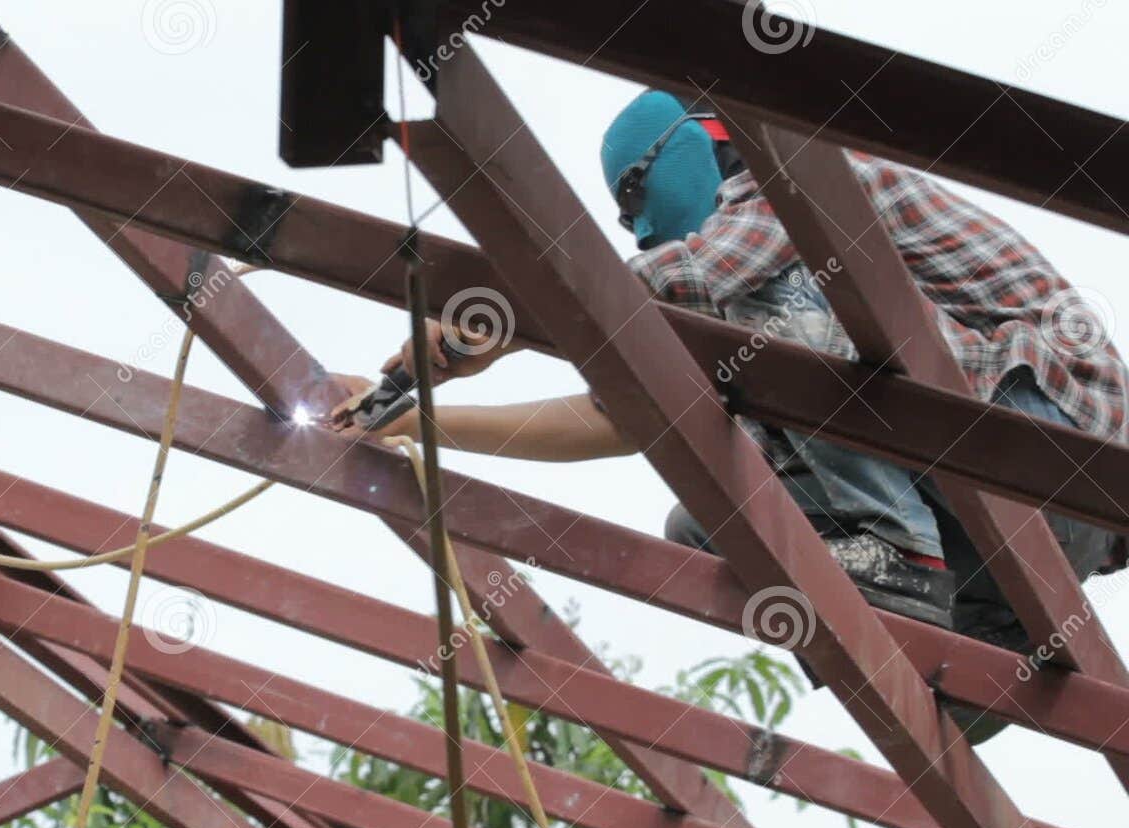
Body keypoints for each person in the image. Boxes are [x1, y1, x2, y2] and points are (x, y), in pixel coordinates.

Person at [331, 91, 1128, 740]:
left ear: (701, 139)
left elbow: (710, 272)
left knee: (749, 302)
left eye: (637, 194)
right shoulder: (736, 276)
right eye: (623, 219)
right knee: (709, 523)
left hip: (1050, 444)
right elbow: (626, 415)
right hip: (1015, 528)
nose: (639, 228)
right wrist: (422, 426)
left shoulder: (798, 177)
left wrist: (506, 315)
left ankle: (897, 554)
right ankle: (976, 646)